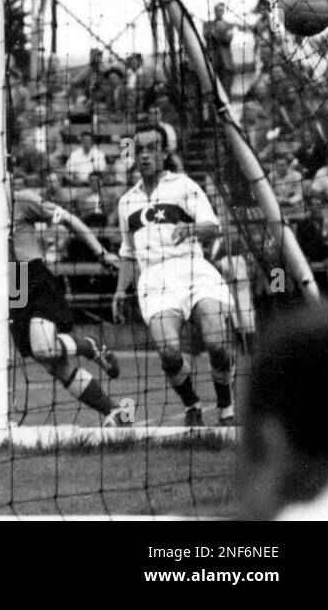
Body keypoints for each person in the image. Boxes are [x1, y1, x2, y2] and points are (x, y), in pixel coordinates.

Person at [0, 180, 133, 427]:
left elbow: (70, 220)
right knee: (56, 366)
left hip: (35, 278)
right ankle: (115, 412)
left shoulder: (21, 199)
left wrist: (101, 253)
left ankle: (88, 346)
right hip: (8, 290)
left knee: (43, 350)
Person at [113, 123, 236, 427]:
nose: (144, 155)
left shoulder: (183, 185)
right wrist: (119, 290)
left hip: (193, 268)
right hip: (154, 279)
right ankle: (192, 404)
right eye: (138, 149)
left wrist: (191, 228)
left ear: (164, 152)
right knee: (168, 351)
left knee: (218, 344)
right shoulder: (126, 202)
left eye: (151, 149)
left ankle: (225, 406)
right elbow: (128, 252)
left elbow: (213, 225)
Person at [238, 303, 328, 519]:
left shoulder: (276, 270)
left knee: (276, 301)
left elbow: (277, 280)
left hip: (274, 286)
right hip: (269, 288)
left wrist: (276, 294)